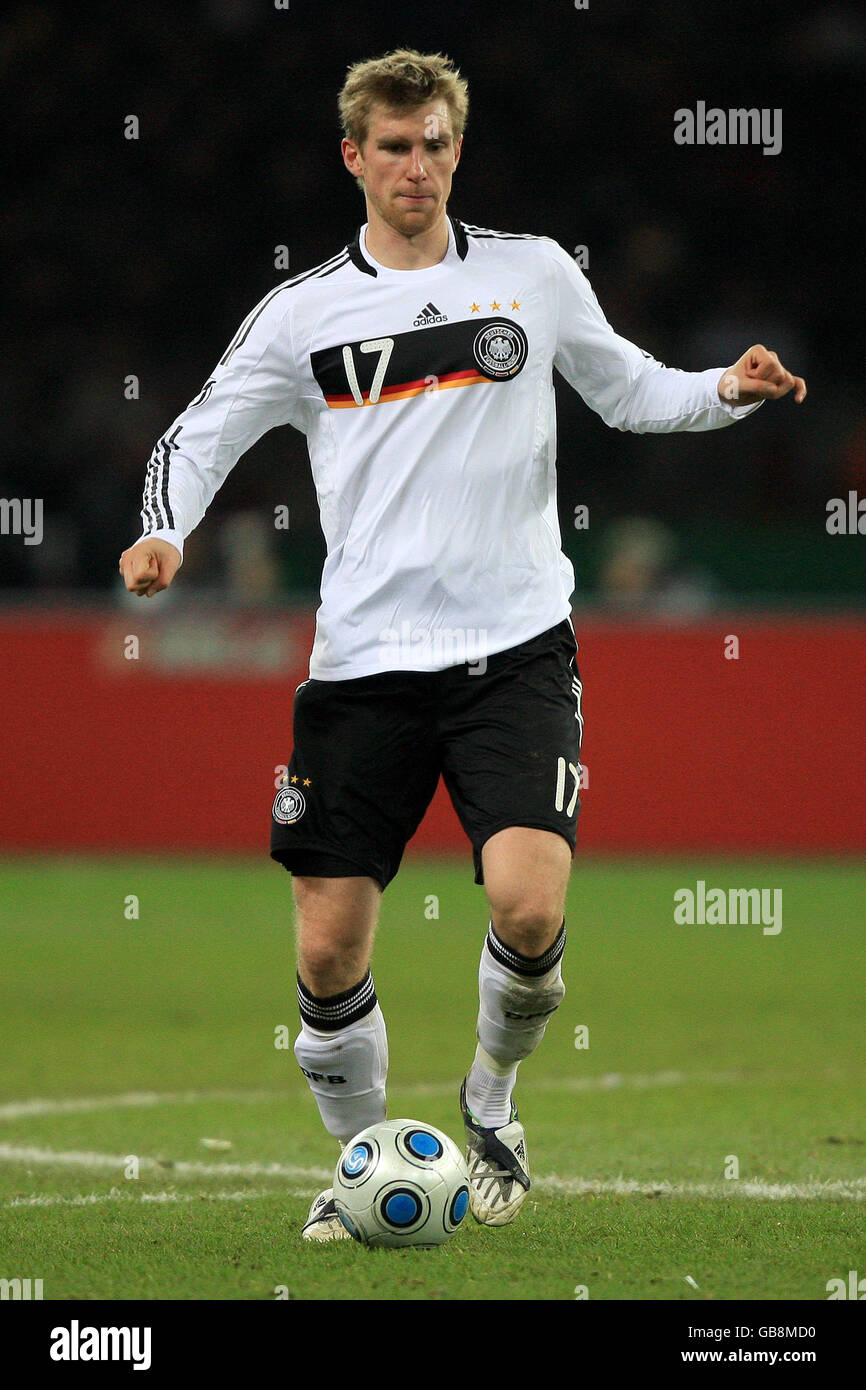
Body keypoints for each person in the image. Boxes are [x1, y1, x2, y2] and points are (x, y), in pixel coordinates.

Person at [119, 48, 806, 1241]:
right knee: (329, 949)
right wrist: (161, 536)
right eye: (393, 145)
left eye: (434, 143)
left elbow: (629, 389)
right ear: (354, 156)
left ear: (455, 150)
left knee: (529, 907)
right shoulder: (304, 313)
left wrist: (723, 389)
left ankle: (490, 1106)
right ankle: (363, 1163)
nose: (416, 166)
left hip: (513, 647)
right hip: (362, 666)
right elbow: (196, 433)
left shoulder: (532, 277)